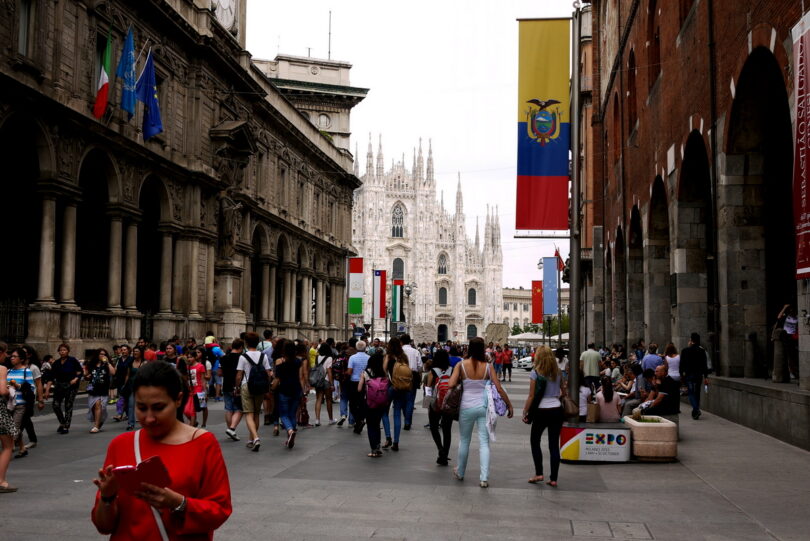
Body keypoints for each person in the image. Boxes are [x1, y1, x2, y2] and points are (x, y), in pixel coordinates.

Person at [91, 361, 232, 539]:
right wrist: (107, 498)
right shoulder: (120, 444)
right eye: (141, 408)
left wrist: (178, 503)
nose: (149, 418)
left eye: (159, 408)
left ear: (178, 399)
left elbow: (220, 510)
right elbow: (104, 526)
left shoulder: (203, 444)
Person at [448, 337, 513, 488]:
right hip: (484, 407)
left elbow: (451, 383)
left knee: (464, 440)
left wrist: (461, 381)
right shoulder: (488, 367)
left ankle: (461, 472)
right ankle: (484, 478)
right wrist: (508, 404)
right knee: (484, 443)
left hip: (466, 407)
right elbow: (498, 387)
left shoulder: (461, 365)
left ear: (469, 348)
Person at [523, 346, 565, 487]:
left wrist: (525, 411)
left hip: (541, 411)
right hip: (556, 410)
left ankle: (539, 473)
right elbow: (563, 392)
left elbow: (531, 395)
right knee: (554, 445)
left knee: (535, 441)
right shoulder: (558, 372)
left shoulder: (535, 373)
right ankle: (554, 478)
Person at [234, 333, 273, 451]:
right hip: (260, 387)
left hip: (247, 386)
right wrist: (267, 386)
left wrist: (237, 387)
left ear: (246, 343)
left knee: (248, 414)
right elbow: (268, 373)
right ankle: (251, 439)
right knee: (256, 413)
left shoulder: (243, 357)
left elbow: (239, 375)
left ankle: (255, 438)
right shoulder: (263, 356)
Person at [273, 340, 308, 449]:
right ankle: (290, 436)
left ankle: (290, 430)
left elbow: (277, 378)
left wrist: (272, 387)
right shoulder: (298, 361)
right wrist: (303, 390)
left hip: (284, 389)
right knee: (292, 414)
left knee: (283, 414)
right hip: (296, 388)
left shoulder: (280, 361)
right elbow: (299, 376)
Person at [358, 351, 389, 457]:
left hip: (370, 402)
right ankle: (378, 446)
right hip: (381, 402)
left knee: (371, 426)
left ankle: (373, 449)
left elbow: (359, 389)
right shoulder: (384, 373)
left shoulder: (366, 372)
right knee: (377, 424)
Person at [426, 349, 454, 465]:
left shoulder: (433, 371)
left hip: (436, 403)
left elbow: (428, 388)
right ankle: (445, 454)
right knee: (447, 430)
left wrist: (427, 402)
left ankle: (440, 449)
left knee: (434, 427)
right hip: (448, 403)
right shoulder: (452, 370)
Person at [385, 337, 411, 451]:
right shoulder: (404, 357)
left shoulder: (388, 356)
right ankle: (396, 442)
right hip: (401, 387)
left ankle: (388, 437)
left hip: (390, 386)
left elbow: (384, 369)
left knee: (384, 412)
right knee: (397, 414)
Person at [52, 343, 83, 434]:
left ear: (68, 351)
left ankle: (66, 426)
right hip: (59, 386)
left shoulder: (72, 360)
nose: (62, 352)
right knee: (55, 405)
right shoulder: (56, 363)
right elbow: (52, 375)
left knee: (68, 405)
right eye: (61, 350)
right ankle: (62, 422)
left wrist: (76, 379)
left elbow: (80, 371)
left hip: (71, 386)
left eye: (64, 350)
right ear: (58, 351)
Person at [85, 349, 116, 433]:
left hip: (103, 388)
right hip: (93, 388)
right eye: (100, 354)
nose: (102, 356)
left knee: (99, 406)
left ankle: (96, 426)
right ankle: (99, 422)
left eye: (104, 354)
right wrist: (87, 375)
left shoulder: (106, 364)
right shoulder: (92, 364)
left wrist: (107, 362)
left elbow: (113, 372)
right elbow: (85, 374)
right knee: (93, 407)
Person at [680, 332, 710, 419]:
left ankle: (696, 409)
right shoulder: (702, 351)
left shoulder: (685, 350)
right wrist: (706, 376)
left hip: (689, 375)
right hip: (698, 375)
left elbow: (682, 365)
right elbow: (705, 365)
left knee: (691, 392)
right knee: (697, 392)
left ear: (691, 340)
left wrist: (681, 375)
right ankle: (695, 411)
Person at [220, 338, 244, 441]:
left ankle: (230, 429)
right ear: (241, 347)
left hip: (226, 384)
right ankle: (232, 429)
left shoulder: (224, 358)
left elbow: (219, 373)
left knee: (228, 408)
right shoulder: (242, 358)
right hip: (237, 385)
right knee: (239, 408)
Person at [0, 358, 17, 492]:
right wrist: (8, 388)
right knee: (8, 445)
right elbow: (2, 391)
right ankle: (1, 481)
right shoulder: (2, 369)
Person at [346, 340, 370, 434]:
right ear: (365, 348)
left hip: (354, 382)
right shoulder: (369, 357)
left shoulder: (352, 357)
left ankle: (358, 420)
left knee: (352, 403)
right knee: (362, 402)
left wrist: (346, 373)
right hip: (365, 382)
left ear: (356, 348)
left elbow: (350, 371)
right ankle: (360, 419)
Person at [400, 334, 422, 430]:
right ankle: (408, 421)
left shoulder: (399, 352)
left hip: (400, 376)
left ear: (401, 342)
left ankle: (407, 418)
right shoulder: (415, 351)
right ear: (410, 341)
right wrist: (420, 377)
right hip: (413, 376)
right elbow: (420, 366)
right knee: (410, 400)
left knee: (402, 400)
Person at [312, 343, 336, 426]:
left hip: (318, 380)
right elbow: (329, 371)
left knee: (318, 399)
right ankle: (330, 419)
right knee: (328, 400)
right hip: (326, 380)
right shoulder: (329, 358)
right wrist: (332, 383)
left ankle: (317, 420)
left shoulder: (317, 357)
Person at [186, 348, 208, 428]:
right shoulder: (187, 367)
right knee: (187, 410)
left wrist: (205, 392)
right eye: (188, 357)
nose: (189, 359)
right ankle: (194, 423)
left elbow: (203, 380)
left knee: (203, 407)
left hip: (199, 390)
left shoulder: (200, 366)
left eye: (191, 357)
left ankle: (203, 423)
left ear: (195, 357)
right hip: (190, 391)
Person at [113, 345, 133, 424]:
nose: (123, 351)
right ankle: (126, 414)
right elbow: (116, 370)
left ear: (128, 350)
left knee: (123, 398)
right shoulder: (119, 359)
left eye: (125, 350)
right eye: (122, 350)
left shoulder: (131, 359)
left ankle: (120, 414)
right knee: (124, 398)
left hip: (129, 382)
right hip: (119, 381)